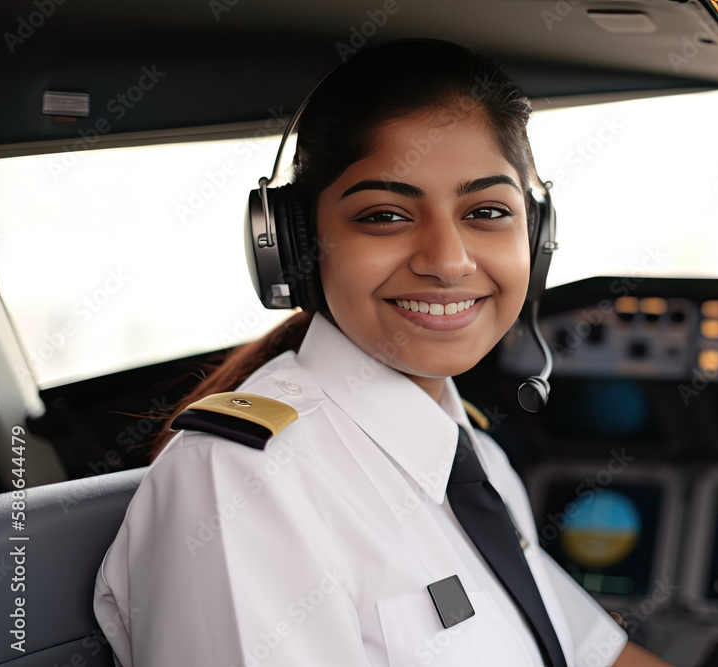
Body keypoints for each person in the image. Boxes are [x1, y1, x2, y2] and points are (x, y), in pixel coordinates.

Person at [93, 39, 674, 667]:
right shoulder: (239, 481)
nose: (448, 262)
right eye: (385, 216)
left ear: (536, 240)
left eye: (485, 211)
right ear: (295, 247)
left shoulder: (470, 456)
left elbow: (593, 655)